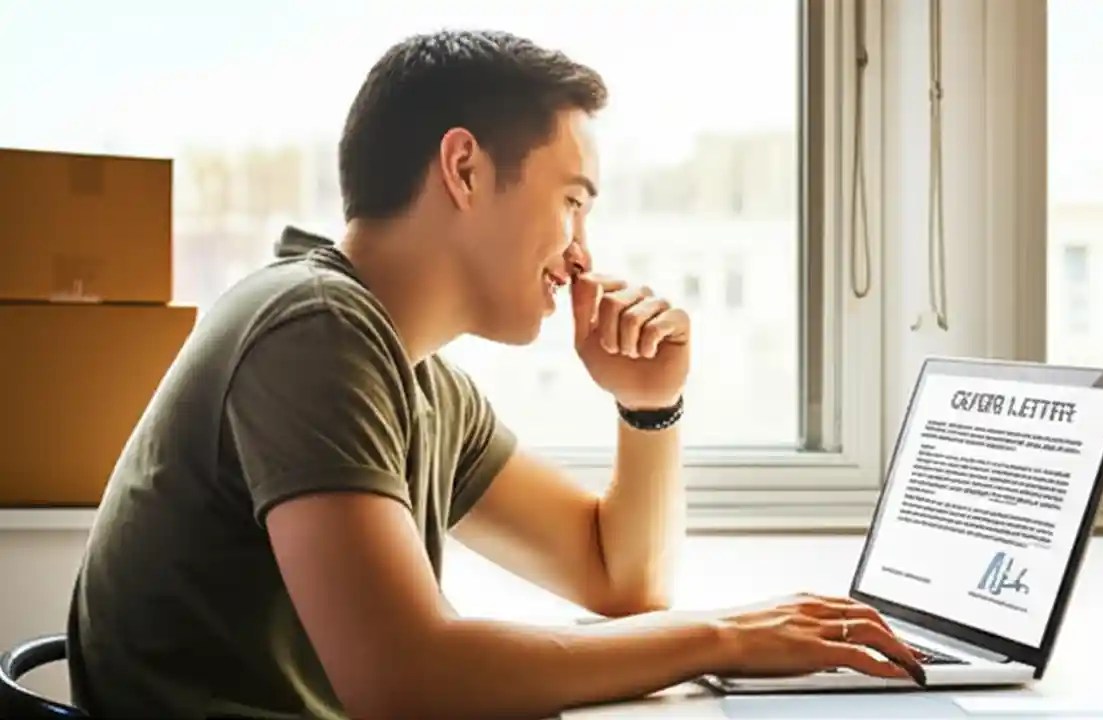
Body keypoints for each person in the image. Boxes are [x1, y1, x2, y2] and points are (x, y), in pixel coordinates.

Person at [66, 29, 924, 720]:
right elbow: (406, 680)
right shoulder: (315, 332)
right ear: (465, 168)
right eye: (574, 200)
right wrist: (724, 638)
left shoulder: (413, 375)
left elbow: (621, 581)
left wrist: (649, 407)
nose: (582, 250)